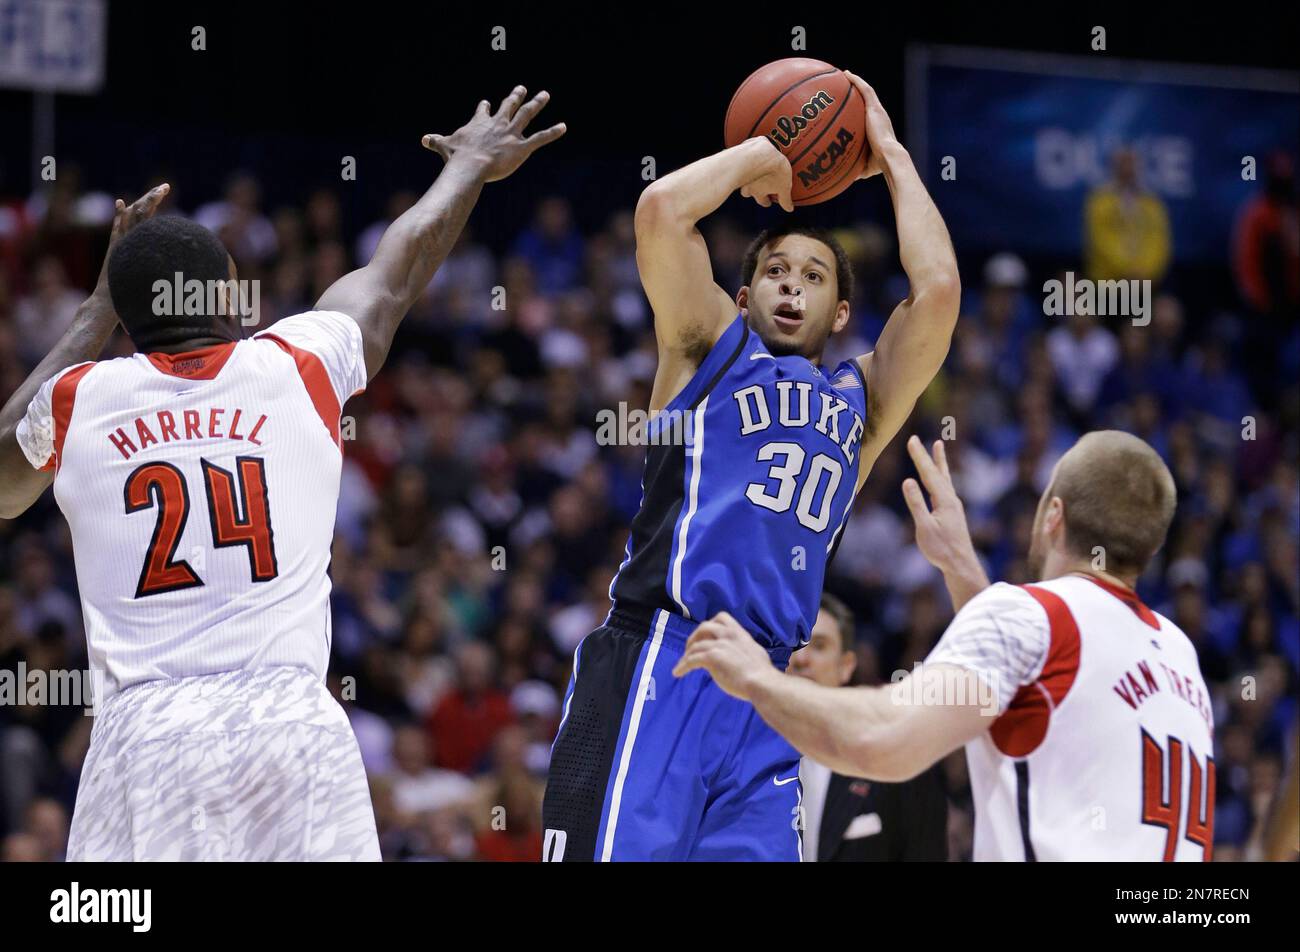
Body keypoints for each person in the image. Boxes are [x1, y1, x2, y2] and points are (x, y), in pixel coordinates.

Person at [0, 87, 564, 860]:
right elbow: (397, 268)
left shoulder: (78, 399)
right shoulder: (298, 362)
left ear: (129, 323)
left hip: (150, 738)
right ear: (229, 293)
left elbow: (3, 481)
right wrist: (466, 167)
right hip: (291, 726)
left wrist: (97, 308)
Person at [542, 72, 960, 861]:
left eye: (812, 276)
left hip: (768, 690)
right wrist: (764, 153)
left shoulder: (858, 405)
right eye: (774, 273)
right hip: (660, 659)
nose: (791, 287)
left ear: (840, 312)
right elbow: (662, 211)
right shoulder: (707, 347)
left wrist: (894, 157)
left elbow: (937, 294)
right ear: (742, 297)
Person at [676, 431, 1217, 861]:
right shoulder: (1177, 653)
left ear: (1053, 516)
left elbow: (884, 740)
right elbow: (1035, 701)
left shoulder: (1029, 616)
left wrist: (759, 678)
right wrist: (963, 571)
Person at [794, 594, 947, 861]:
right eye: (793, 645)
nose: (802, 659)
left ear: (846, 666)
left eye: (819, 646)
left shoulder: (892, 761)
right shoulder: (739, 757)